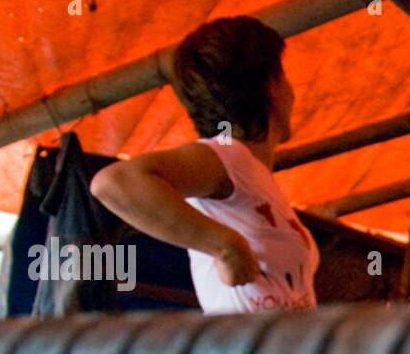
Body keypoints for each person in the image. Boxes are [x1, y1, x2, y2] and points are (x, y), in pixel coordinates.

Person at [91, 17, 318, 315]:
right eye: (284, 76)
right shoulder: (228, 154)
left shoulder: (252, 174)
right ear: (271, 85)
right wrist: (224, 244)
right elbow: (113, 183)